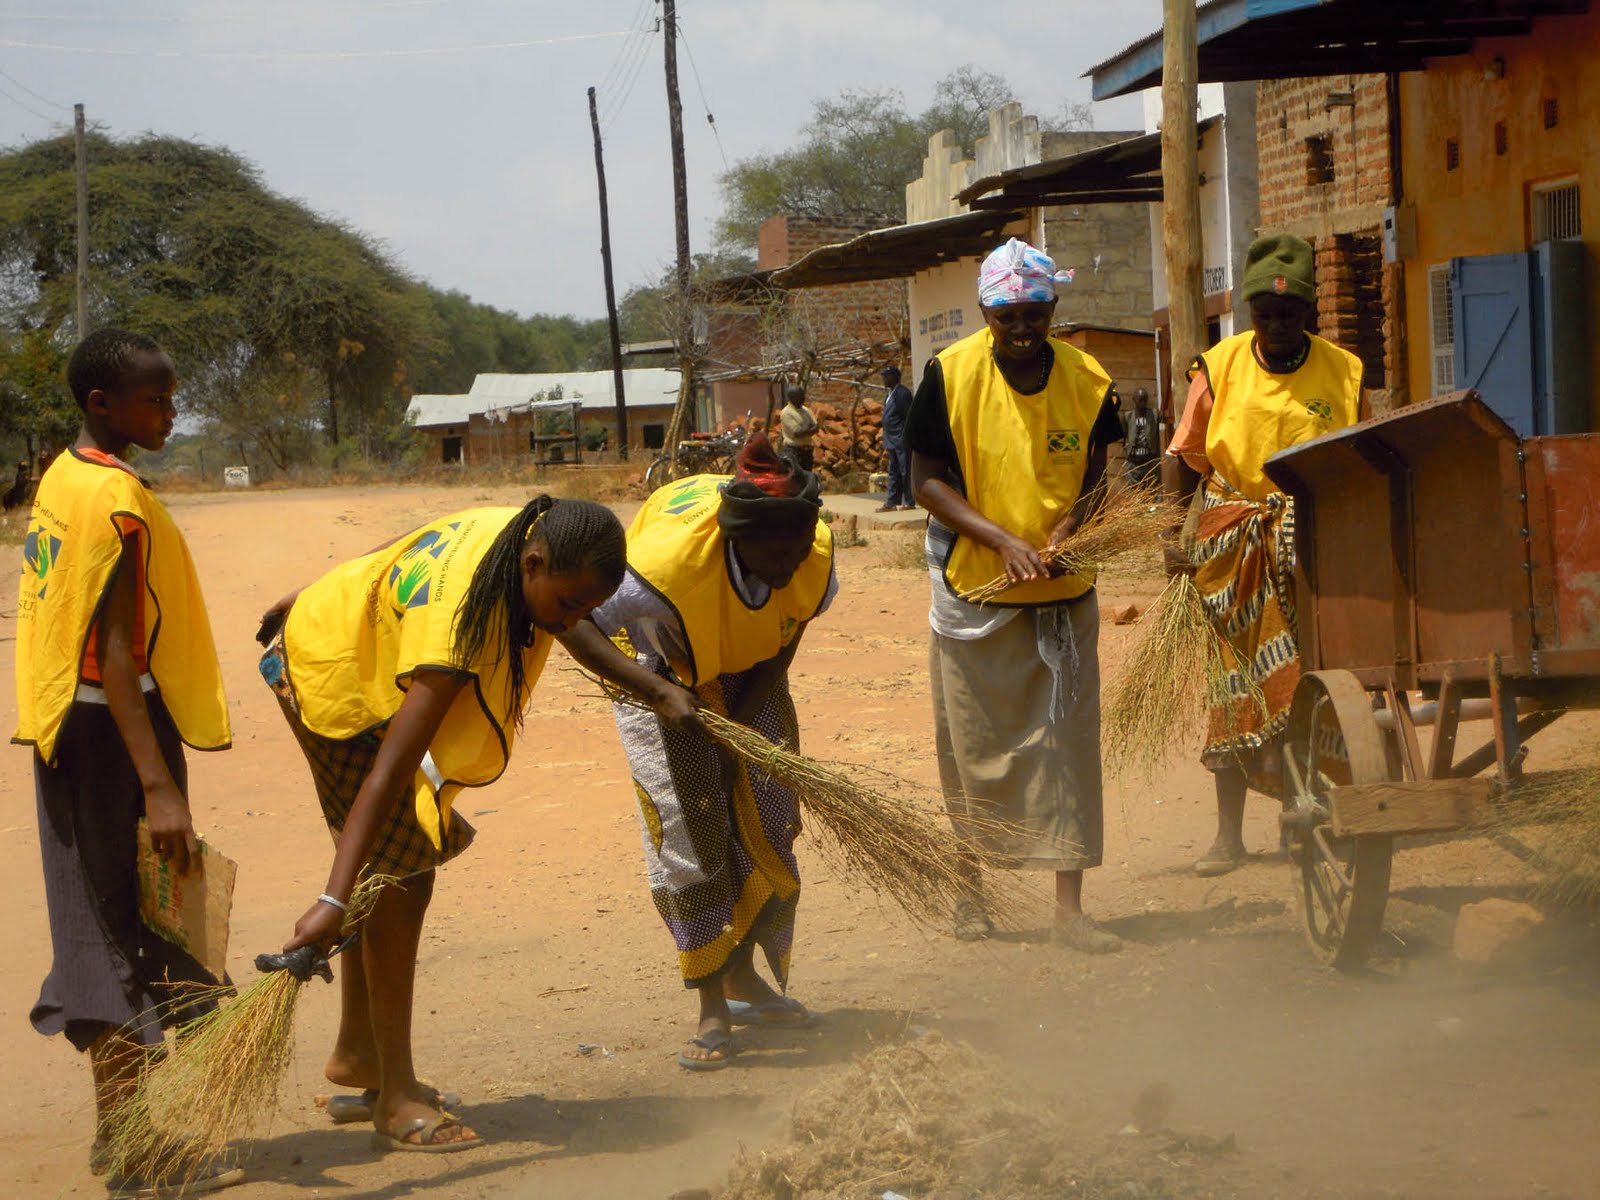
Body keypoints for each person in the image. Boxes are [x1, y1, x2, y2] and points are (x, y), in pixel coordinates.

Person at [257, 496, 684, 1151]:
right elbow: (390, 774)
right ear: (533, 565)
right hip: (326, 674)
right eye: (569, 603)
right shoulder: (457, 627)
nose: (572, 622)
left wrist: (653, 688)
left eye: (586, 609)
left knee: (398, 866)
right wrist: (332, 901)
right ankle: (395, 1098)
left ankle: (361, 1055)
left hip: (349, 635)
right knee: (400, 875)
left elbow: (417, 540)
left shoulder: (522, 533)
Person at [14, 329, 243, 1194]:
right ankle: (131, 1149)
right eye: (156, 400)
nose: (171, 413)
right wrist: (160, 789)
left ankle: (126, 1134)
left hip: (66, 732)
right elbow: (115, 655)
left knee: (109, 926)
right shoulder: (114, 499)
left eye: (173, 397)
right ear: (101, 404)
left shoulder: (64, 477)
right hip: (113, 739)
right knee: (124, 933)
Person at [562, 434, 836, 1071]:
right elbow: (574, 620)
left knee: (770, 815)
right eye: (774, 555)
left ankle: (743, 978)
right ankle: (713, 1001)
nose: (787, 566)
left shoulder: (813, 557)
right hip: (659, 668)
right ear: (735, 539)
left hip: (750, 667)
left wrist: (739, 723)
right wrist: (660, 692)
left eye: (797, 551)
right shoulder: (660, 573)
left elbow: (787, 630)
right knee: (689, 835)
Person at [907, 238, 1125, 954]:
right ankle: (971, 893)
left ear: (1053, 308)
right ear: (985, 313)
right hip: (977, 590)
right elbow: (925, 480)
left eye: (1036, 313)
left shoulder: (1088, 379)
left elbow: (1097, 472)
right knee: (972, 748)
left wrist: (1067, 530)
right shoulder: (949, 374)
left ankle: (1070, 911)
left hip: (1062, 590)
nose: (1023, 328)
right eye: (1008, 316)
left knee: (1067, 745)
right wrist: (1002, 541)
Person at [1167, 232, 1365, 876]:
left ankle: (1302, 817)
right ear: (1249, 309)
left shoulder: (1344, 371)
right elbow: (1184, 457)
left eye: (1290, 313)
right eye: (1265, 313)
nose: (1277, 325)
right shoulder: (1217, 367)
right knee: (1233, 689)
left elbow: (1360, 458)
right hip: (1232, 552)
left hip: (1316, 548)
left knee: (1311, 682)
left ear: (1310, 310)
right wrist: (1174, 537)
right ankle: (1228, 835)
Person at [877, 365, 914, 512]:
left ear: (895, 377)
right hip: (891, 439)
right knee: (894, 471)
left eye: (887, 376)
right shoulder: (890, 394)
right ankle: (892, 502)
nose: (884, 379)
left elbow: (908, 416)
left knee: (906, 470)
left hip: (901, 439)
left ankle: (910, 501)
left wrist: (905, 436)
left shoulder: (902, 394)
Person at [1122, 387, 1160, 489]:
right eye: (1140, 400)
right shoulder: (1128, 416)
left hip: (1149, 462)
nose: (1143, 403)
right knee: (1134, 491)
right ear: (1134, 400)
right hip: (1133, 463)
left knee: (1152, 490)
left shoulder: (1154, 415)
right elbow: (1125, 437)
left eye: (1145, 400)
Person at [777, 384, 819, 472]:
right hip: (793, 452)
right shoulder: (786, 412)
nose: (803, 398)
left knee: (807, 476)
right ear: (792, 398)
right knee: (795, 476)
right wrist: (811, 430)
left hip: (807, 452)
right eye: (800, 396)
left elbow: (816, 427)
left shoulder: (806, 410)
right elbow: (798, 433)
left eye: (803, 395)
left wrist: (808, 431)